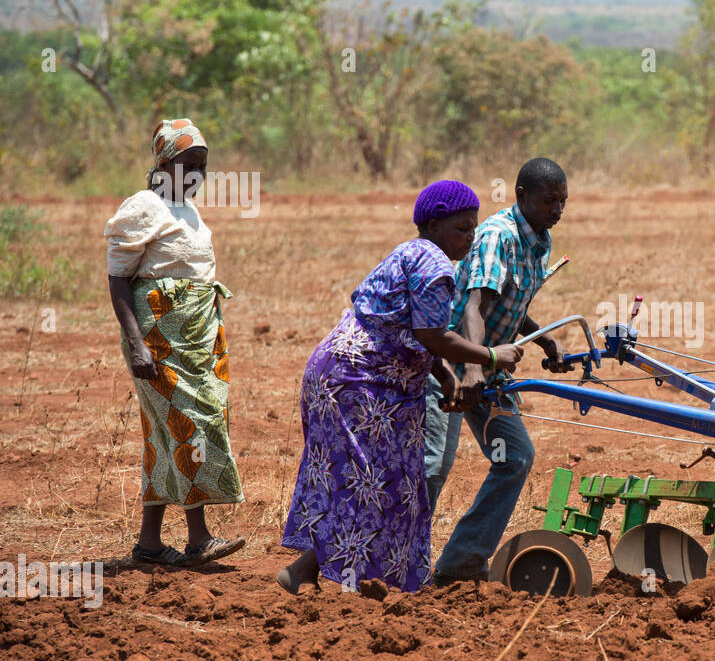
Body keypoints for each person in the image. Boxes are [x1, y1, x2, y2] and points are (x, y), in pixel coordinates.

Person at [277, 181, 525, 594]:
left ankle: (338, 576)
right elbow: (434, 337)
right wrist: (491, 357)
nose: (470, 237)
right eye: (462, 229)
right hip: (359, 384)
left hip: (355, 378)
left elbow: (413, 330)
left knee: (386, 483)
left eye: (473, 229)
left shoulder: (412, 252)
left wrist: (445, 375)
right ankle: (341, 579)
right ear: (433, 224)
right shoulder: (435, 266)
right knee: (374, 483)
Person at [423, 157, 575, 585]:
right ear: (521, 196)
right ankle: (402, 561)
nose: (558, 210)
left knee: (516, 458)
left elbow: (511, 303)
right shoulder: (497, 236)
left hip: (487, 366)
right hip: (449, 362)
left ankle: (461, 564)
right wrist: (472, 369)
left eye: (563, 201)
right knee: (432, 465)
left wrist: (544, 338)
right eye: (549, 201)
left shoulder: (538, 239)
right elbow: (476, 304)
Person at [105, 118, 247, 567]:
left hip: (196, 339)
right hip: (157, 343)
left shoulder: (187, 210)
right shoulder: (143, 207)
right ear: (163, 163)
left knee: (163, 435)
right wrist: (136, 342)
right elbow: (118, 279)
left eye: (202, 166)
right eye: (188, 165)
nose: (196, 175)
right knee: (192, 423)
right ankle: (199, 539)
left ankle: (149, 546)